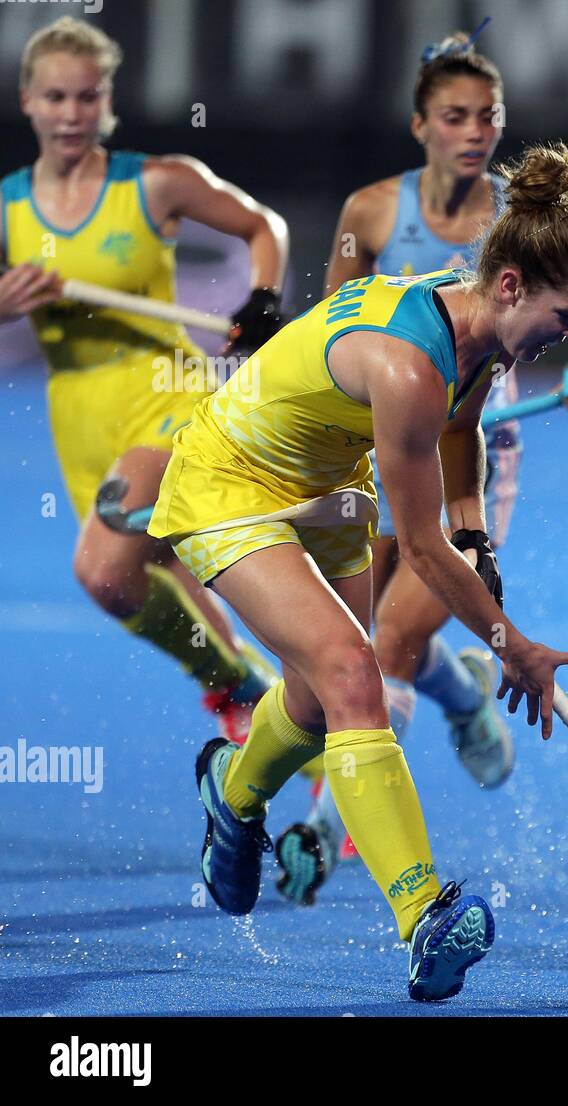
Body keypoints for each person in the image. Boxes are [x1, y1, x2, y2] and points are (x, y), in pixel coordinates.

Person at [146, 142, 568, 1001]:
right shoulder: (407, 366)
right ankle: (424, 912)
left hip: (329, 483)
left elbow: (460, 440)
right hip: (231, 483)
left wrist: (480, 536)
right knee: (355, 672)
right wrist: (514, 645)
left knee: (321, 700)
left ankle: (230, 795)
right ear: (510, 287)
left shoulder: (481, 337)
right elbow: (422, 550)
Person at [273, 27, 568, 906]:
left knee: (390, 638)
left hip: (472, 452)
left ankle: (324, 829)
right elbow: (335, 320)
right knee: (368, 642)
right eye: (455, 116)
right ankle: (463, 695)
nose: (474, 131)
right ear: (420, 123)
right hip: (375, 454)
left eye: (489, 116)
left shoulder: (521, 220)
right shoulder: (370, 212)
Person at [0, 17, 288, 741]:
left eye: (86, 97)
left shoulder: (155, 182)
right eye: (56, 98)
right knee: (183, 591)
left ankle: (237, 684)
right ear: (28, 100)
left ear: (106, 101)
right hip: (79, 418)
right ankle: (305, 754)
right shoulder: (6, 208)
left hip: (166, 399)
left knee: (104, 574)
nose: (72, 115)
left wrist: (260, 302)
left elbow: (263, 226)